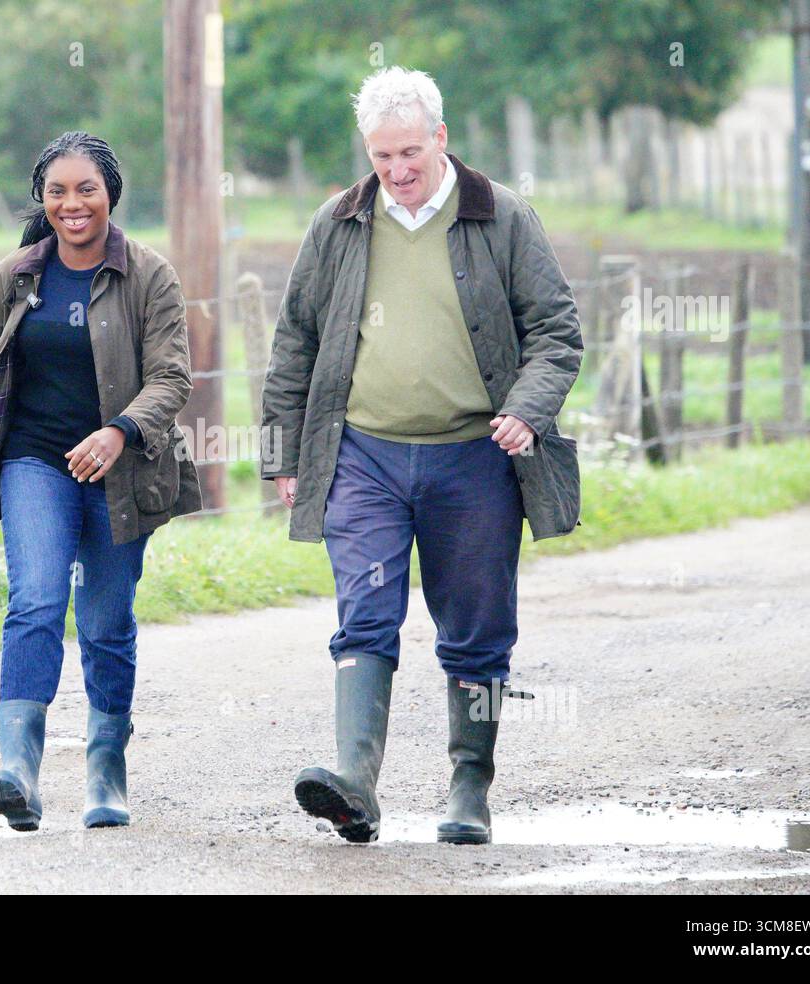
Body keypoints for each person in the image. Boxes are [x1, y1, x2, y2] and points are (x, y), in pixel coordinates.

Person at [260, 67, 582, 844]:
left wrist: (526, 411)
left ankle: (470, 788)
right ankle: (353, 786)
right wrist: (281, 455)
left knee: (475, 629)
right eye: (381, 157)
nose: (397, 171)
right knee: (364, 618)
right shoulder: (336, 224)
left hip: (473, 459)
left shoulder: (501, 218)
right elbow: (295, 341)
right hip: (362, 457)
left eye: (409, 151)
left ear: (441, 138)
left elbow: (556, 331)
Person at [0, 131, 201, 830]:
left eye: (86, 190)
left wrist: (119, 430)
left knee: (103, 621)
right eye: (59, 192)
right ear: (43, 199)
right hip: (33, 463)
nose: (73, 204)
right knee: (36, 599)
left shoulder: (149, 276)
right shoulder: (17, 277)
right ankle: (18, 770)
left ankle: (106, 769)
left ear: (111, 196)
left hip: (121, 473)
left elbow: (172, 377)